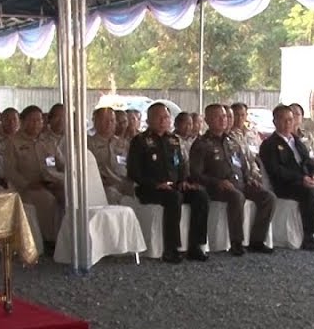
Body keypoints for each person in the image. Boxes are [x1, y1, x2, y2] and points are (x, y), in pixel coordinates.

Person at [127, 102, 209, 263]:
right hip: (150, 188)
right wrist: (155, 184)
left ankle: (195, 246)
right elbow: (134, 172)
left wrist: (184, 181)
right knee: (174, 198)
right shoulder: (140, 141)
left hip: (174, 186)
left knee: (201, 195)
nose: (164, 120)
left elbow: (182, 165)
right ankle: (171, 248)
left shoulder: (174, 140)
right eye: (160, 117)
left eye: (166, 117)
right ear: (149, 119)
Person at [189, 103, 274, 255]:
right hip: (217, 187)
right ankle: (236, 242)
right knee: (237, 197)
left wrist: (249, 178)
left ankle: (257, 240)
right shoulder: (202, 144)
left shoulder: (232, 140)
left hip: (239, 182)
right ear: (207, 120)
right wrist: (217, 182)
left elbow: (242, 163)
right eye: (217, 117)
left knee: (268, 197)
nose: (223, 120)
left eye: (225, 117)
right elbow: (196, 174)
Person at [259, 104, 314, 250]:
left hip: (306, 180)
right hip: (285, 185)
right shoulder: (269, 144)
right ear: (275, 122)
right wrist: (300, 179)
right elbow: (276, 170)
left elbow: (309, 162)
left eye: (290, 120)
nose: (288, 123)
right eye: (283, 120)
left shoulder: (296, 141)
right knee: (308, 193)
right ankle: (309, 235)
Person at [4, 105, 64, 253]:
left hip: (52, 182)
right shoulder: (14, 142)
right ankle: (50, 240)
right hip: (28, 187)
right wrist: (27, 184)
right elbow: (10, 171)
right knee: (47, 201)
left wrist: (64, 178)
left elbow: (62, 163)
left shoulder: (48, 141)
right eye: (32, 120)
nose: (36, 124)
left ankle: (68, 238)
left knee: (70, 197)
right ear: (23, 122)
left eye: (39, 120)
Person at [87, 107, 132, 203]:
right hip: (103, 186)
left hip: (125, 184)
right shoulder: (88, 144)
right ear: (95, 122)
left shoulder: (124, 144)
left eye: (112, 120)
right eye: (104, 120)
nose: (108, 124)